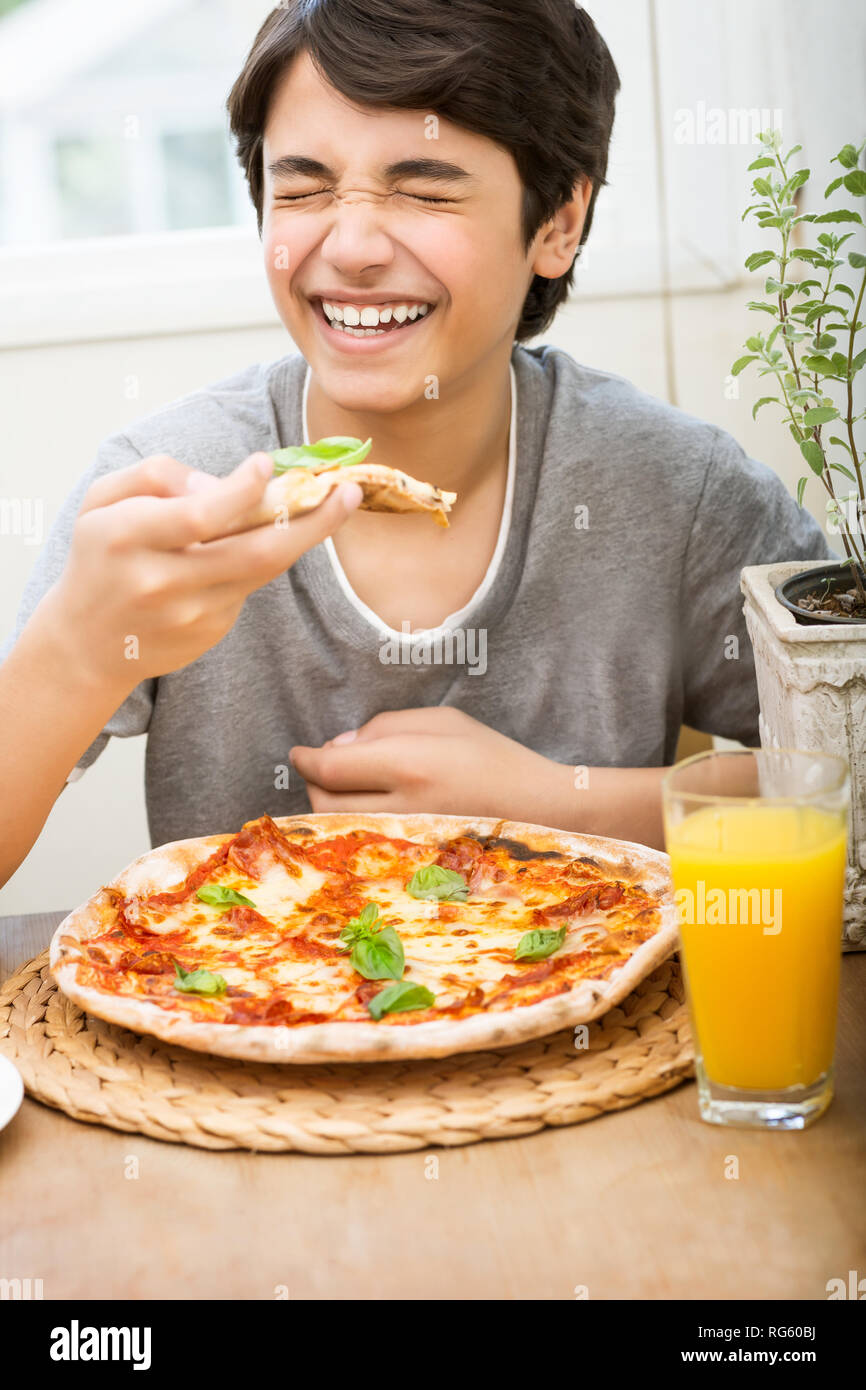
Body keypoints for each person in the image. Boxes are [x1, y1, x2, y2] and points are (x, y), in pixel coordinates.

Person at [0, 0, 833, 888]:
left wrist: (563, 807)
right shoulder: (170, 487)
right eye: (305, 187)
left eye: (425, 189)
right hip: (247, 997)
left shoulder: (681, 492)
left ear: (558, 222)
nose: (352, 246)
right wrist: (78, 654)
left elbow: (842, 780)